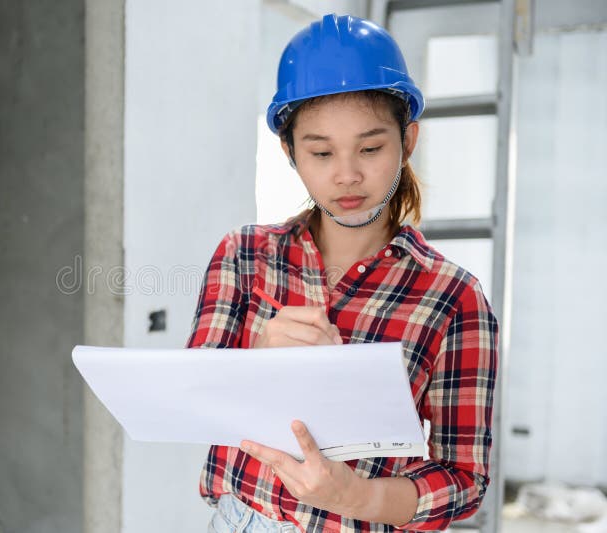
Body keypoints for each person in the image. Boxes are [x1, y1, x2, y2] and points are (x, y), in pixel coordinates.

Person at [186, 13, 499, 533]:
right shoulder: (244, 255)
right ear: (290, 152)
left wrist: (359, 497)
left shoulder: (454, 298)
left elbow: (464, 480)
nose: (347, 174)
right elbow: (194, 402)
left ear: (408, 140)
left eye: (371, 148)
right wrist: (258, 360)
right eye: (321, 152)